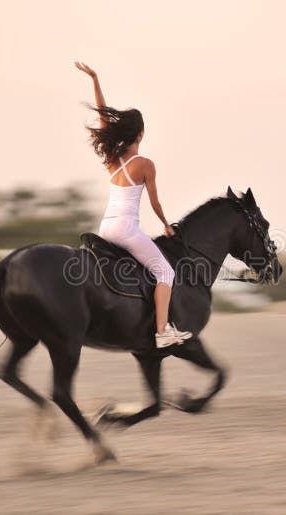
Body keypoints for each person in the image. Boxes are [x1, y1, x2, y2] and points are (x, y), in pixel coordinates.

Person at [76, 61, 192, 348]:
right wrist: (167, 226)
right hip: (127, 229)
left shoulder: (113, 160)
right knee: (165, 272)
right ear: (140, 134)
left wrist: (95, 79)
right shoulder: (145, 165)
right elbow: (154, 202)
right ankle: (162, 331)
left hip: (106, 228)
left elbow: (104, 118)